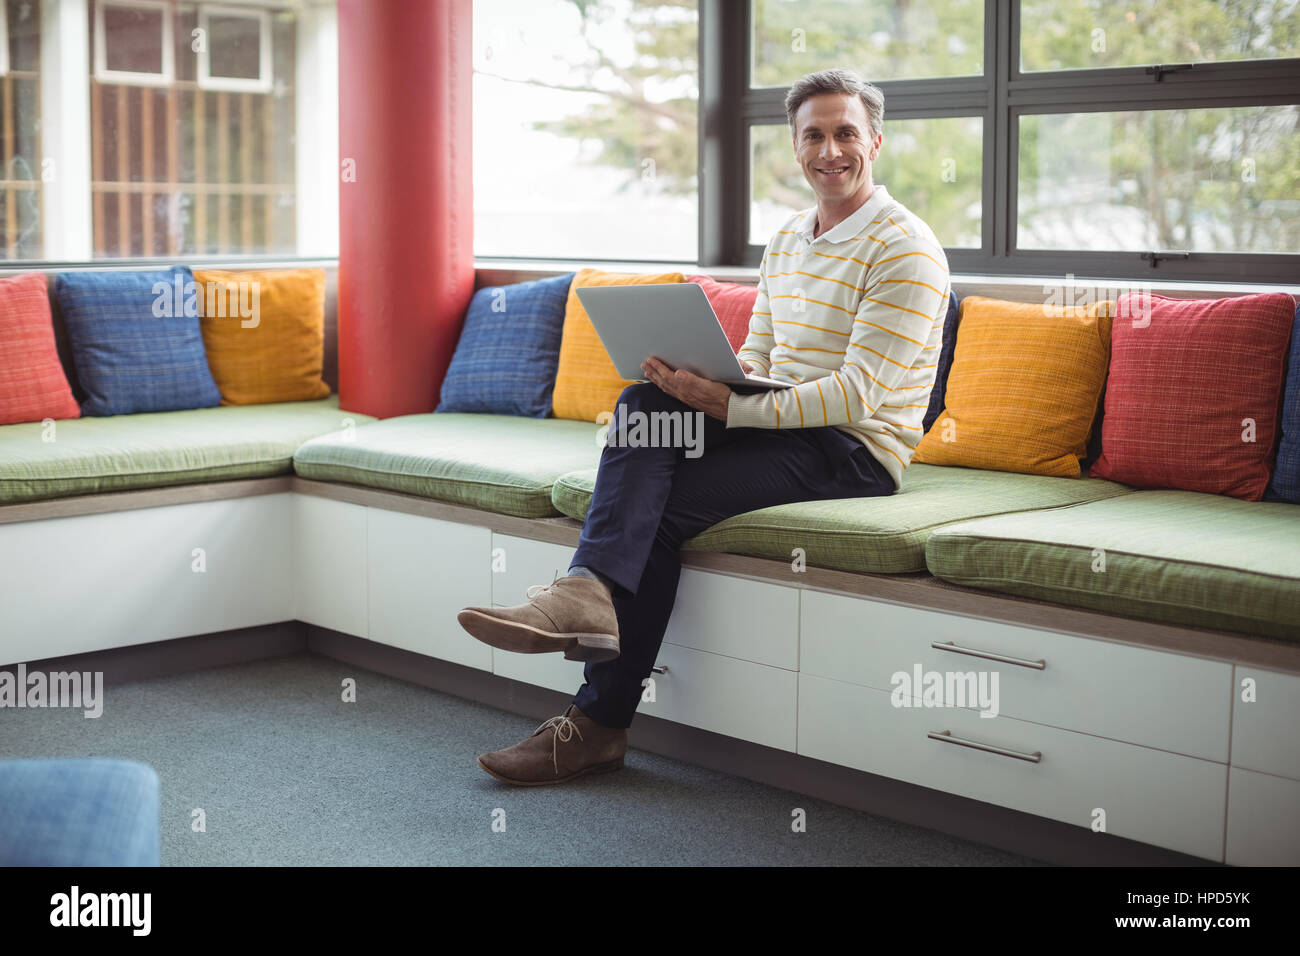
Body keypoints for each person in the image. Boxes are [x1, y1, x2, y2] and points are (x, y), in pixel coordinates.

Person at [457, 67, 951, 785]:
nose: (830, 149)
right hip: (776, 420)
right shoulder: (787, 240)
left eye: (846, 133)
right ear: (795, 146)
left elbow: (857, 396)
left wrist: (730, 407)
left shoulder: (905, 248)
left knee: (653, 512)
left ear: (875, 141)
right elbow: (762, 354)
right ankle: (587, 598)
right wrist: (709, 382)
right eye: (813, 134)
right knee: (644, 404)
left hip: (852, 449)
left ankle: (596, 717)